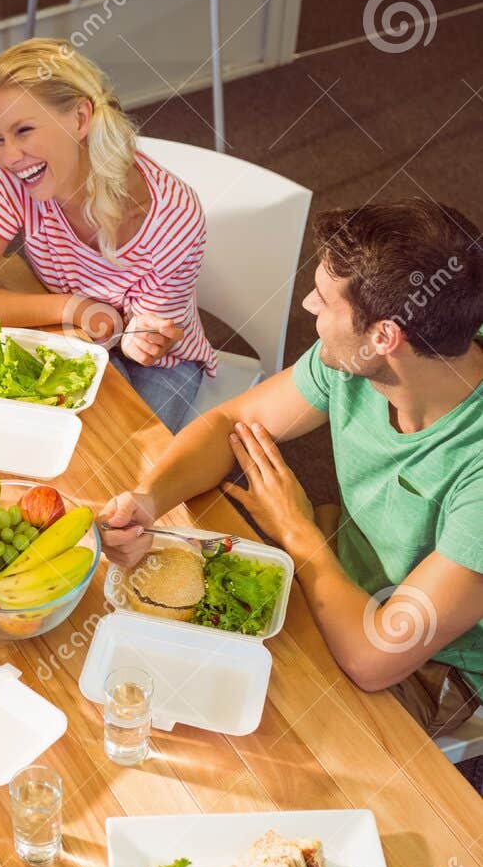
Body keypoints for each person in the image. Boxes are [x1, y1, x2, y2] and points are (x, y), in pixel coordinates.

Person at [100, 200, 483, 737]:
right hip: (335, 565)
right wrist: (148, 500)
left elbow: (376, 658)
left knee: (243, 733)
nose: (307, 305)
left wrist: (296, 530)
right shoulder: (357, 361)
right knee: (156, 651)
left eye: (324, 300)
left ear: (384, 338)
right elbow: (230, 424)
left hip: (430, 665)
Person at [0, 38, 215, 432]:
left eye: (24, 130)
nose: (9, 156)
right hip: (79, 333)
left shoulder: (174, 218)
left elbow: (139, 343)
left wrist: (138, 339)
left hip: (160, 367)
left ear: (80, 119)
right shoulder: (17, 178)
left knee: (113, 465)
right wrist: (73, 308)